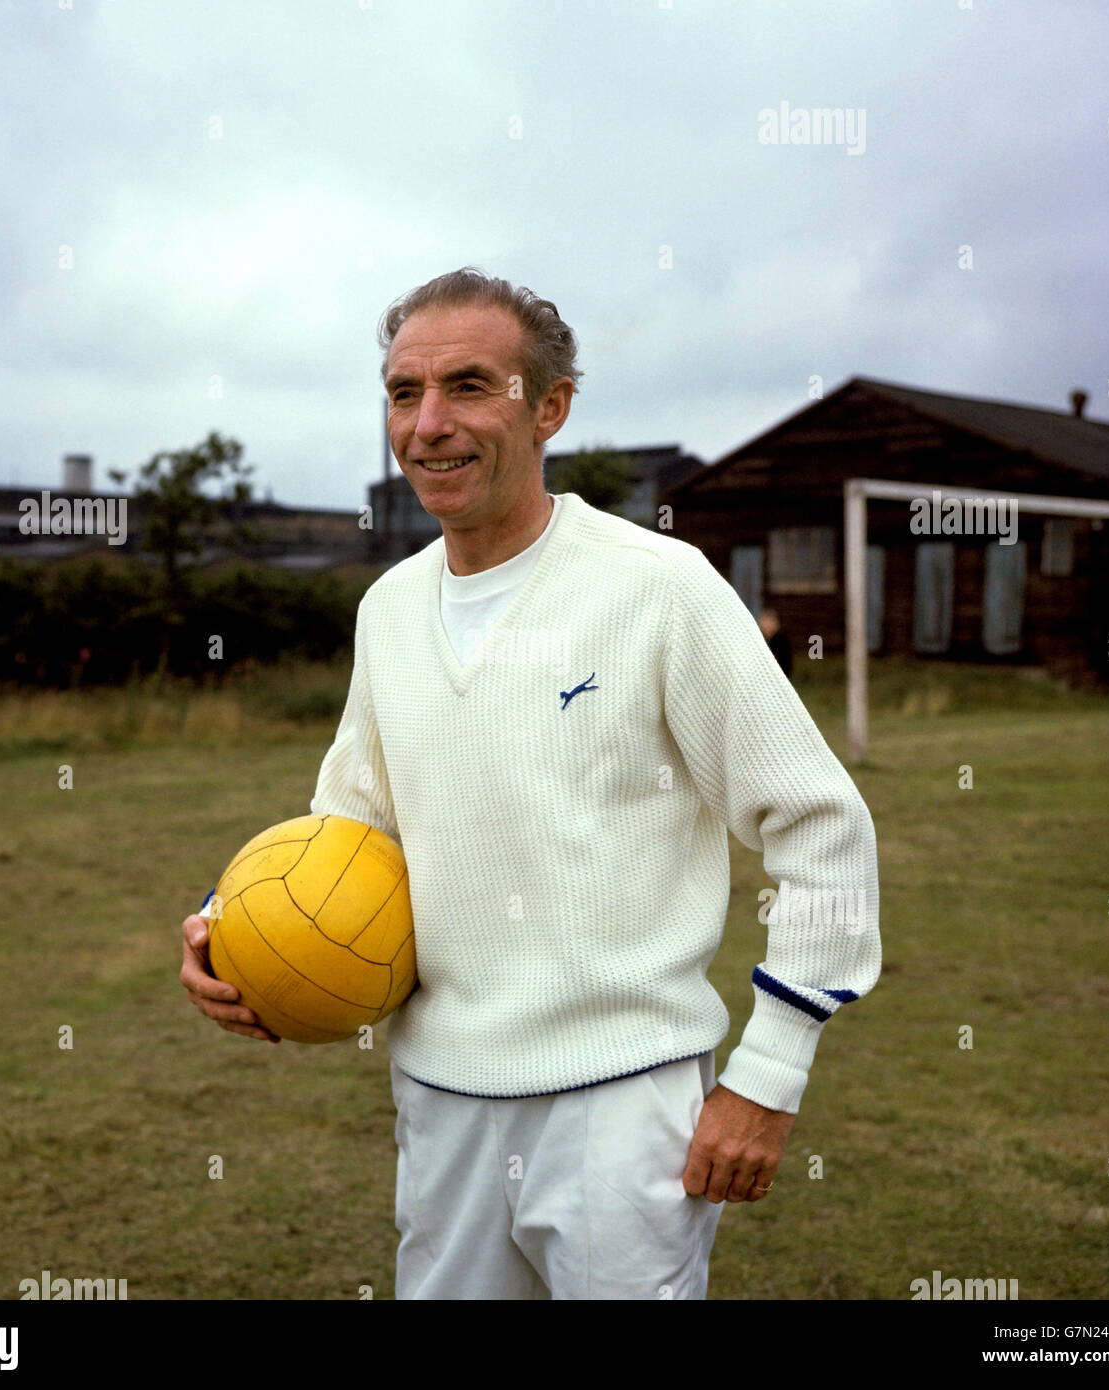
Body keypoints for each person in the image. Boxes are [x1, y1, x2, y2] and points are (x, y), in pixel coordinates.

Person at [180, 267, 881, 1300]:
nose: (428, 425)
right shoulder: (386, 609)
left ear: (548, 405)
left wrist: (767, 1076)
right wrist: (223, 925)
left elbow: (818, 824)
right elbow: (349, 828)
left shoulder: (658, 587)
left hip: (622, 1106)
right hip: (440, 1100)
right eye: (402, 392)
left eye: (469, 386)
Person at [757, 606, 793, 678]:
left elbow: (786, 665)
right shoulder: (757, 640)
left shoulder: (782, 642)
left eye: (770, 622)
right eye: (765, 622)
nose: (767, 626)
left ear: (776, 624)